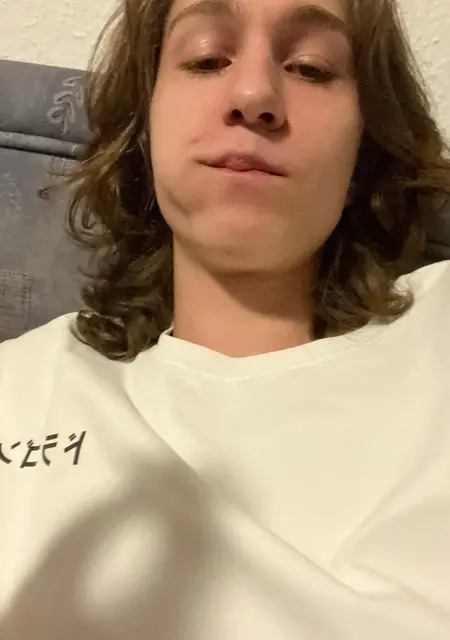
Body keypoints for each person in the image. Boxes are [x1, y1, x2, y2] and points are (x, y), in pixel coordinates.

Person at [0, 0, 449, 637]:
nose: (254, 95)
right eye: (207, 58)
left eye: (311, 67)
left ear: (364, 152)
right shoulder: (22, 387)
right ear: (145, 130)